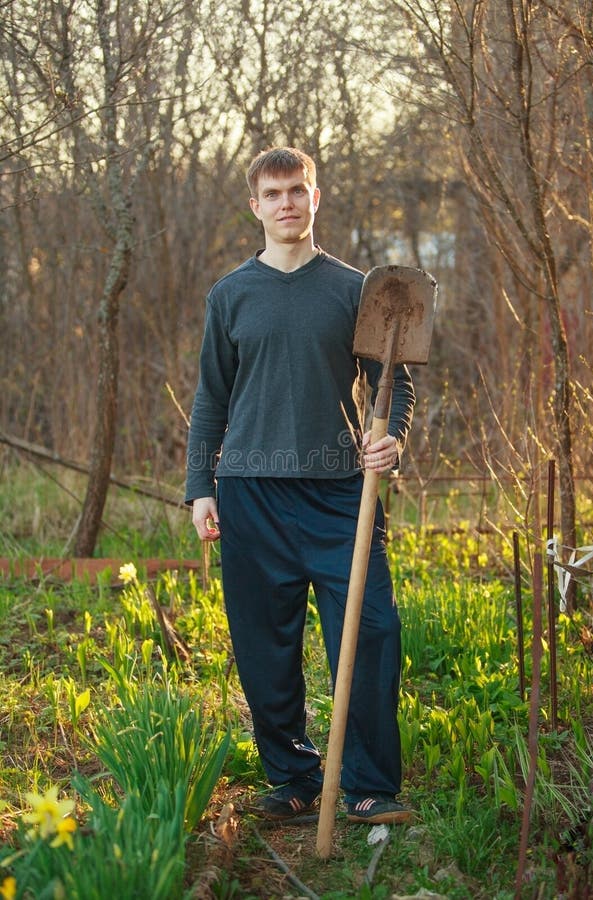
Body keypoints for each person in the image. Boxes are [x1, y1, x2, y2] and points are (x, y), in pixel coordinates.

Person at [186, 147, 415, 825]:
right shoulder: (230, 295)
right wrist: (201, 485)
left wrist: (393, 437)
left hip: (341, 492)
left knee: (372, 631)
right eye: (273, 193)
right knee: (265, 646)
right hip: (250, 492)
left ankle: (369, 786)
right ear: (254, 206)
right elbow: (210, 397)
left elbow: (394, 380)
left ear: (316, 198)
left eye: (297, 190)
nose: (286, 203)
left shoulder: (356, 290)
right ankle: (292, 777)